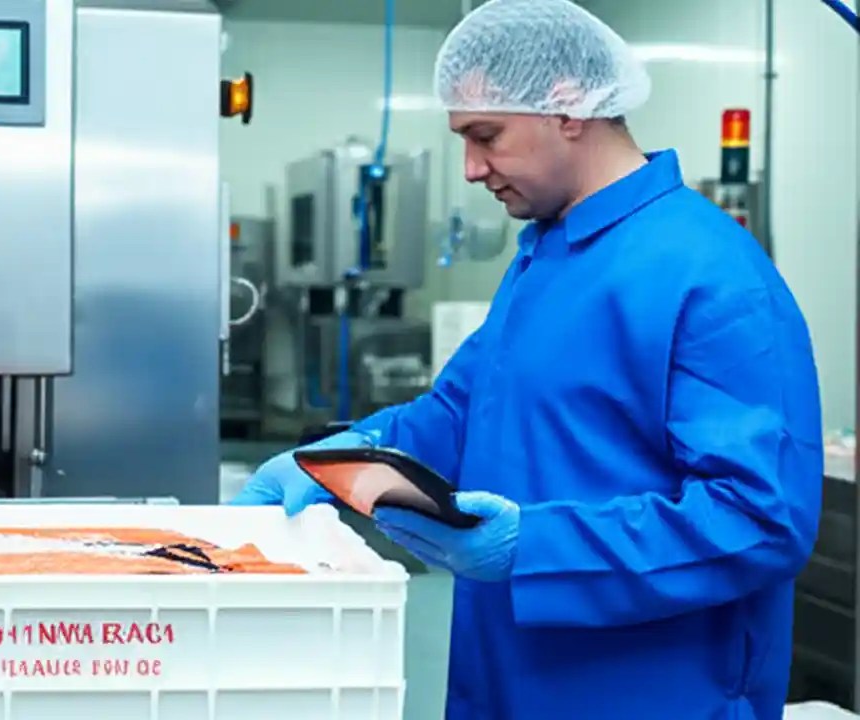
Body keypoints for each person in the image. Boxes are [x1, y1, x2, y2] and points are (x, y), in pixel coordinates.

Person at [230, 0, 824, 717]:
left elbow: (760, 518)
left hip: (647, 694)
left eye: (486, 136)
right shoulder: (550, 253)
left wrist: (535, 547)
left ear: (568, 105)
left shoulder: (712, 274)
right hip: (507, 677)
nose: (472, 169)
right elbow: (464, 408)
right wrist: (346, 458)